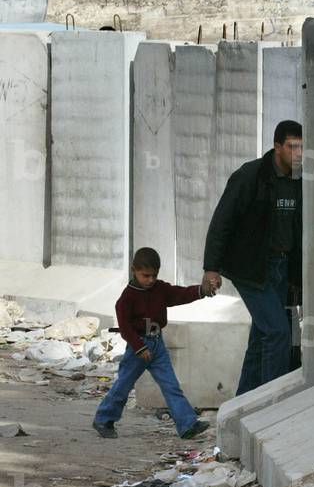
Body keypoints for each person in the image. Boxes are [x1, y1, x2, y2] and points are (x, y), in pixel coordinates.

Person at [202, 120, 303, 396]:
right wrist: (211, 268)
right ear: (277, 147)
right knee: (277, 333)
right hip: (251, 268)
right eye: (293, 147)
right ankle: (272, 403)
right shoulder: (251, 175)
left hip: (281, 269)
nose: (298, 154)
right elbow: (222, 220)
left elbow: (300, 230)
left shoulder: (300, 180)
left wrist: (298, 277)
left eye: (302, 148)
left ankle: (243, 404)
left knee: (261, 337)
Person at [93, 247, 213, 440]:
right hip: (138, 347)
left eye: (154, 276)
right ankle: (103, 419)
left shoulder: (160, 289)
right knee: (123, 385)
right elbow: (125, 328)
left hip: (157, 345)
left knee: (171, 385)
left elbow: (179, 294)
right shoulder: (127, 298)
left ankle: (187, 424)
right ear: (134, 270)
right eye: (145, 275)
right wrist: (139, 347)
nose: (150, 280)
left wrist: (201, 291)